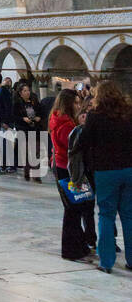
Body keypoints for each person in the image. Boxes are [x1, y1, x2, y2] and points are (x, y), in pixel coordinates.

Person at [73, 80, 132, 274]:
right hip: (128, 169)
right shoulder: (128, 113)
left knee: (106, 215)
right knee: (128, 216)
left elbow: (84, 141)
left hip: (105, 171)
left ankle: (106, 262)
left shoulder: (95, 116)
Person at [49, 88, 96, 262]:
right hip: (68, 170)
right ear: (68, 104)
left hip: (64, 167)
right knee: (73, 210)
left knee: (75, 208)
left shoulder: (58, 118)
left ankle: (80, 246)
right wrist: (82, 128)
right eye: (76, 103)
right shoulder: (65, 124)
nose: (79, 106)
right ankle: (71, 250)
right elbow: (74, 146)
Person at [12, 80, 43, 181]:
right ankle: (27, 171)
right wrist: (23, 119)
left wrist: (38, 117)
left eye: (28, 90)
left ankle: (36, 175)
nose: (27, 92)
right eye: (25, 91)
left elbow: (40, 112)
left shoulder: (34, 102)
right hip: (23, 130)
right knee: (26, 153)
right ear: (20, 93)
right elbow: (14, 116)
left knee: (36, 152)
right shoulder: (17, 104)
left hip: (35, 130)